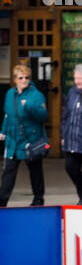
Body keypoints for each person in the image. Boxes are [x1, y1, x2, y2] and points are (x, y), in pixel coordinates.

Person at [0, 62, 48, 207]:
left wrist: (30, 106)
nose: (24, 81)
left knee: (35, 170)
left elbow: (43, 116)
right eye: (20, 78)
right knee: (9, 169)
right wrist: (3, 131)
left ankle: (38, 198)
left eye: (27, 78)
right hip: (14, 139)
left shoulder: (36, 95)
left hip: (30, 139)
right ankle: (2, 198)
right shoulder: (10, 94)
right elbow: (8, 115)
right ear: (15, 79)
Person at [61, 63, 82, 205]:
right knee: (70, 167)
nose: (77, 81)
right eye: (76, 78)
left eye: (80, 78)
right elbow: (66, 115)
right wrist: (63, 135)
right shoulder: (72, 92)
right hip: (72, 140)